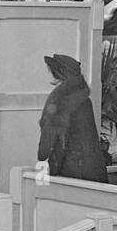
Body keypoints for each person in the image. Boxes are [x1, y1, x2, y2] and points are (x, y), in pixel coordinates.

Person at [36, 54, 106, 183]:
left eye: (49, 70)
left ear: (58, 74)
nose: (47, 73)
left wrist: (42, 163)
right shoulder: (84, 99)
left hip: (69, 172)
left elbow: (48, 140)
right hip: (93, 169)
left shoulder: (58, 100)